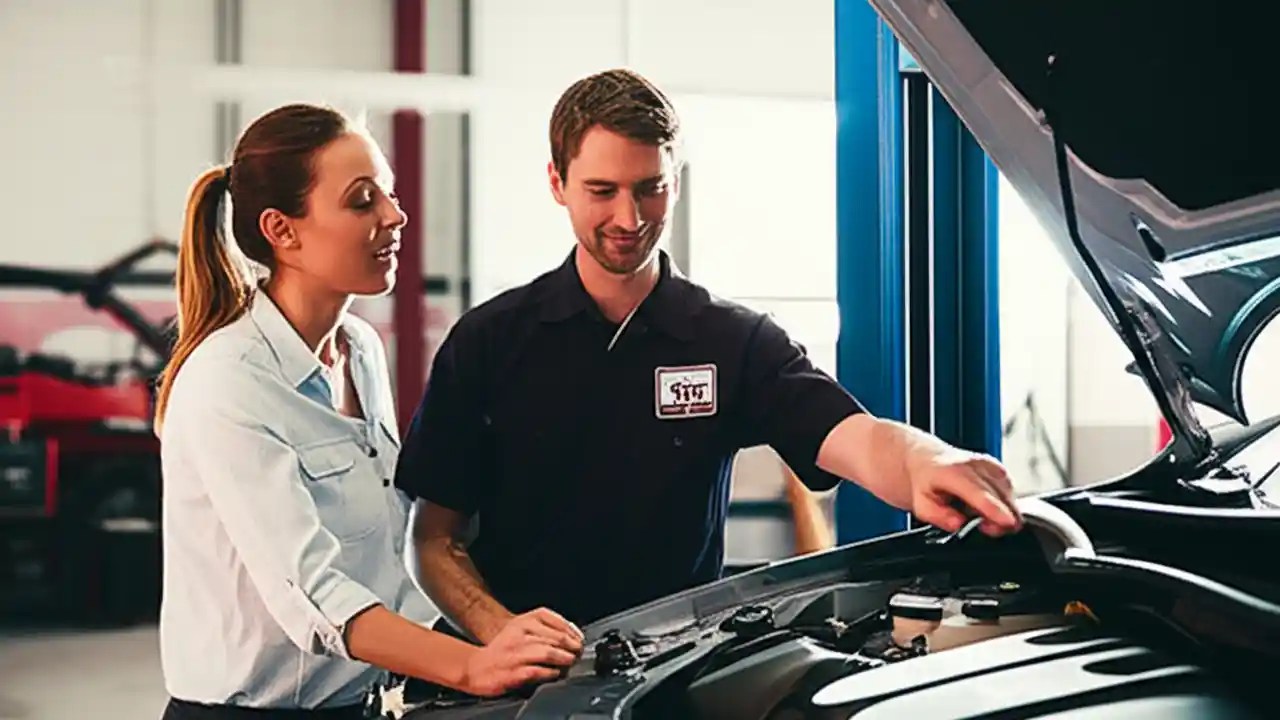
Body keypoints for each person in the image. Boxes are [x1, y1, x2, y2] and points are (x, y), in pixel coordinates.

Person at [394, 68, 1023, 643]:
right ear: (557, 183)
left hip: (669, 674)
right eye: (601, 190)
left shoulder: (729, 342)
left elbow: (851, 434)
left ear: (675, 180)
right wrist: (501, 633)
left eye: (650, 189)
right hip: (513, 685)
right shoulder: (489, 342)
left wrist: (925, 460)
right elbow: (431, 541)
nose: (628, 217)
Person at [153, 103, 581, 719]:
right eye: (362, 201)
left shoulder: (359, 350)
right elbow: (312, 592)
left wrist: (497, 628)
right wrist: (471, 665)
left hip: (360, 704)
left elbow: (386, 546)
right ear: (282, 230)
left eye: (389, 194)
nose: (395, 215)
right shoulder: (229, 380)